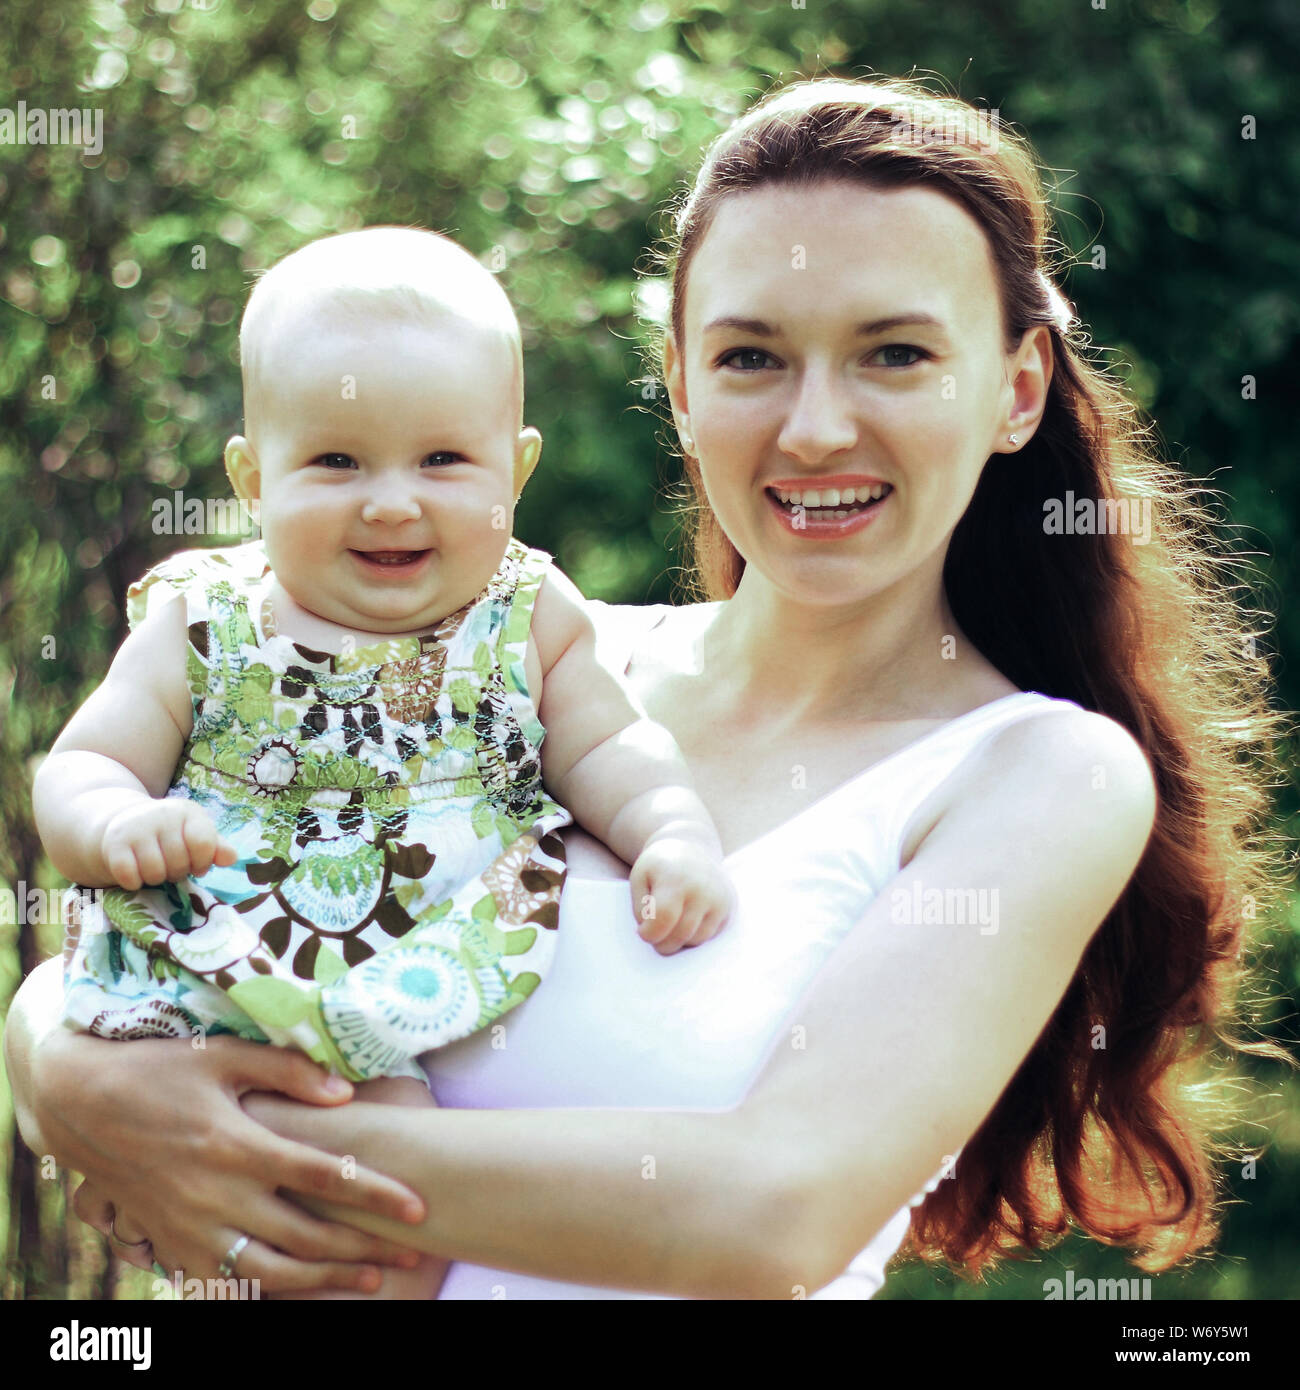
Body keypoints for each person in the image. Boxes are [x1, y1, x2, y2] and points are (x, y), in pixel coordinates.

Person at [5, 75, 1288, 1300]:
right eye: (749, 359)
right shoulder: (521, 661)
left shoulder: (1035, 773)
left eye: (893, 354)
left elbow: (768, 1209)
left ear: (1014, 391)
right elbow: (169, 891)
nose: (815, 428)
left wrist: (211, 1137)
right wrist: (55, 1060)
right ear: (675, 384)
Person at [28, 226, 733, 1299]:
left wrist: (671, 832)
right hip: (223, 966)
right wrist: (117, 824)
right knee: (285, 1207)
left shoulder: (527, 615)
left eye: (444, 459)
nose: (393, 500)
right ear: (253, 478)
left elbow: (611, 744)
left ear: (517, 469)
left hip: (416, 965)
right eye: (337, 461)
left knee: (383, 1213)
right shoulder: (205, 620)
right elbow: (81, 762)